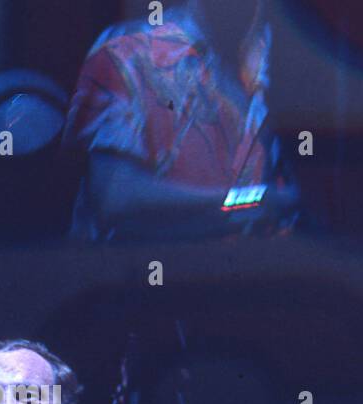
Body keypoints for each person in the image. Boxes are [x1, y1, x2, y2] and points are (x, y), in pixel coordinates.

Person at [62, 0, 283, 240]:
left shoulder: (259, 74)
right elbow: (114, 197)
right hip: (136, 273)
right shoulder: (128, 52)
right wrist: (252, 201)